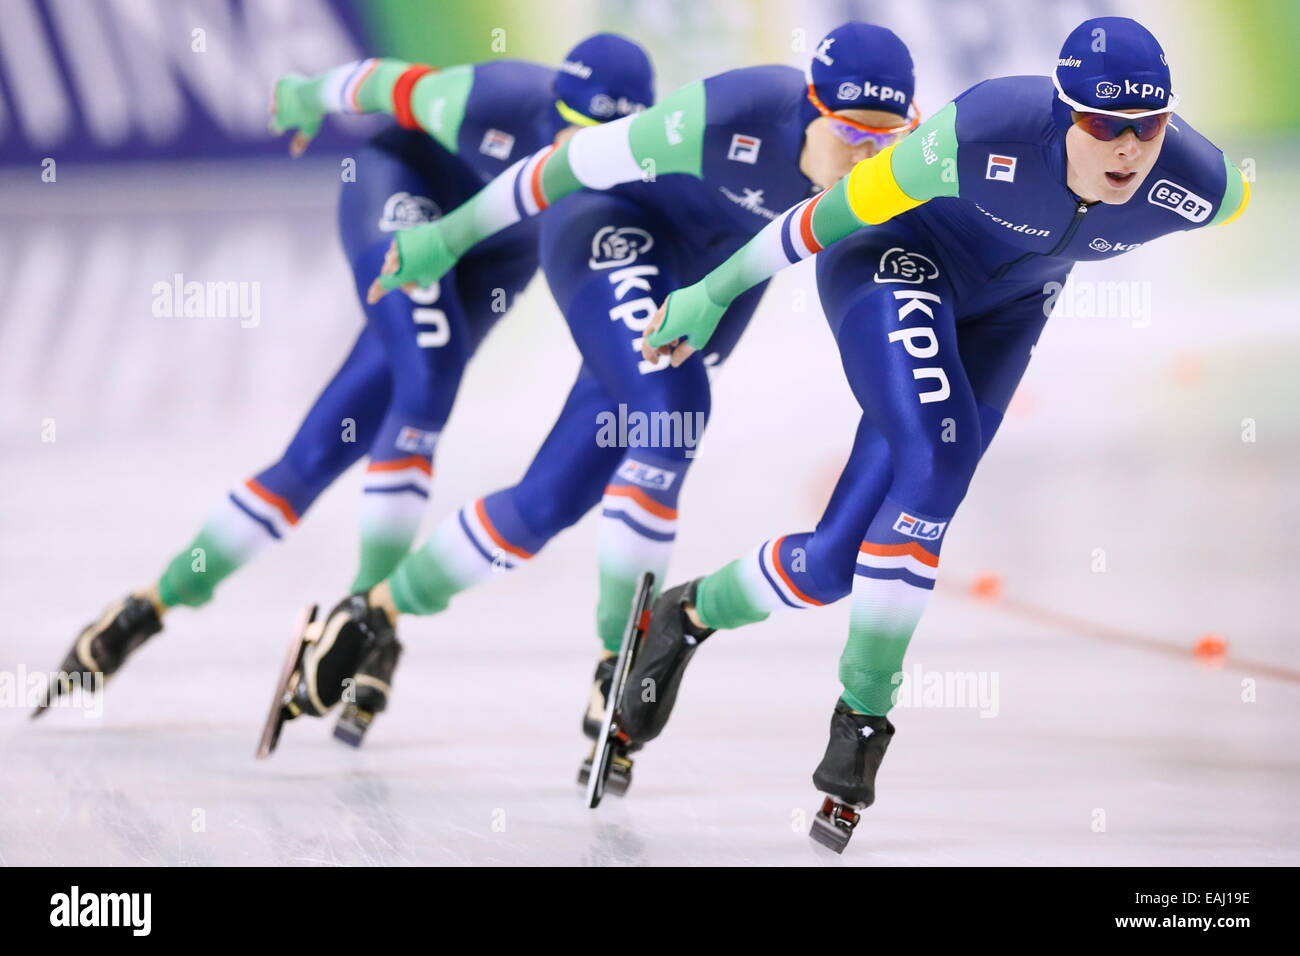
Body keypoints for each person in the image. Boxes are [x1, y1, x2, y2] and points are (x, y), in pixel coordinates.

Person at [626, 16, 1250, 842]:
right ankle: (862, 723)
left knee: (833, 565)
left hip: (1010, 313)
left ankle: (686, 613)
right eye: (1104, 124)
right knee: (939, 457)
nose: (1129, 148)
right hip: (892, 262)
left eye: (1150, 125)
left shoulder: (1204, 186)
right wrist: (709, 293)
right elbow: (827, 217)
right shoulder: (981, 130)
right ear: (1067, 113)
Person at [270, 23, 922, 755]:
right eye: (852, 135)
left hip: (711, 280)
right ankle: (623, 657)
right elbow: (558, 168)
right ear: (811, 106)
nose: (869, 158)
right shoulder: (722, 115)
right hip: (610, 228)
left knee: (547, 503)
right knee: (674, 415)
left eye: (888, 139)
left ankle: (371, 613)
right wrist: (447, 239)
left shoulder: (896, 165)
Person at [37, 35, 656, 748]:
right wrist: (302, 98)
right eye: (575, 134)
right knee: (426, 380)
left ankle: (143, 609)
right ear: (554, 111)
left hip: (497, 249)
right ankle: (366, 620)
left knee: (321, 451)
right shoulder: (492, 98)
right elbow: (381, 80)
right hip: (401, 190)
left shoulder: (640, 154)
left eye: (605, 142)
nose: (586, 155)